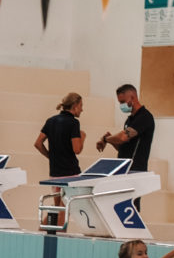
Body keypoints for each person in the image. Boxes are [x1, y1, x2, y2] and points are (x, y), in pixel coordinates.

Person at [35, 92, 86, 227]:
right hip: (70, 173)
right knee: (65, 210)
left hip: (55, 173)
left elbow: (38, 143)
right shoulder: (74, 123)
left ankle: (42, 234)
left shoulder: (51, 121)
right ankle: (59, 239)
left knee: (56, 208)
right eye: (81, 106)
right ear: (74, 106)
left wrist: (50, 156)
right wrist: (83, 137)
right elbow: (77, 149)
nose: (82, 109)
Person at [96, 84, 155, 172]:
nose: (121, 105)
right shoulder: (129, 120)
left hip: (136, 171)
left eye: (123, 102)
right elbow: (123, 147)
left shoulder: (144, 117)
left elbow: (123, 137)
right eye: (120, 102)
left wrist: (106, 139)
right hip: (124, 168)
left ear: (132, 97)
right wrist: (111, 141)